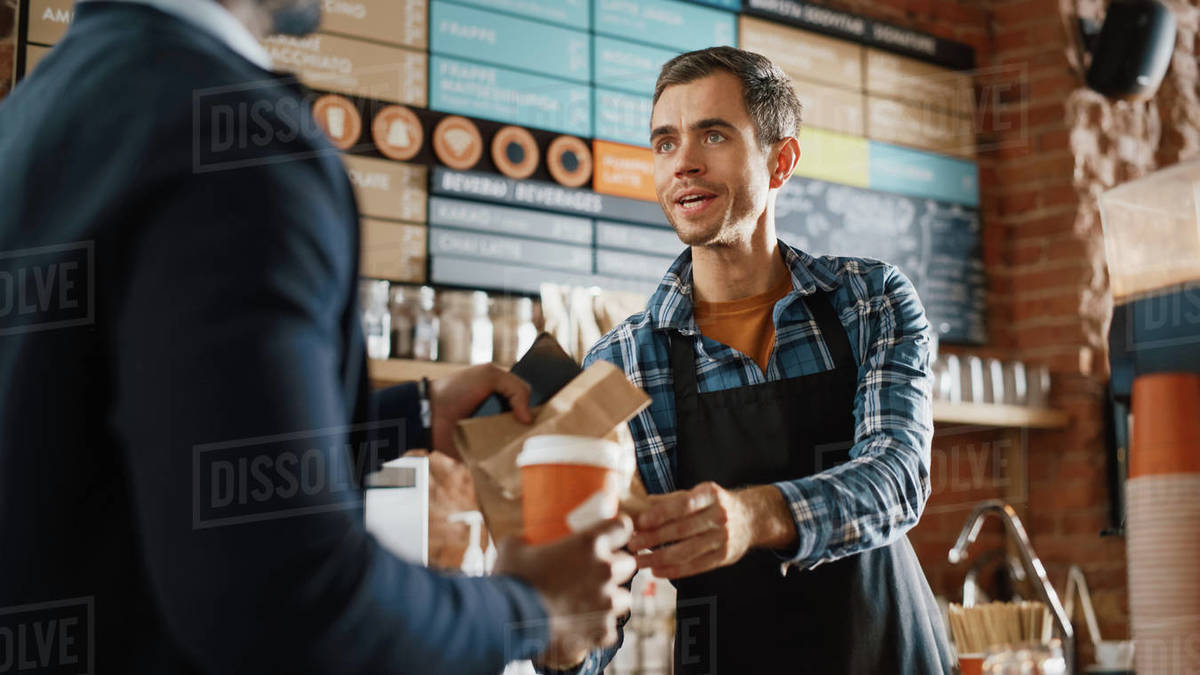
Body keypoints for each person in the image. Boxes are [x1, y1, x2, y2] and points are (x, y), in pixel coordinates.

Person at [0, 0, 633, 672]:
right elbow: (288, 596)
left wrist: (408, 420)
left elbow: (147, 455)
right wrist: (529, 608)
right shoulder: (241, 146)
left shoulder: (37, 107)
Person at [580, 47, 956, 673]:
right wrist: (556, 631)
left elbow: (897, 476)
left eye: (714, 135)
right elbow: (599, 599)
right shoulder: (621, 363)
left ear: (781, 160)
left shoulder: (867, 300)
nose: (684, 164)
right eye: (664, 143)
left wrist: (755, 516)